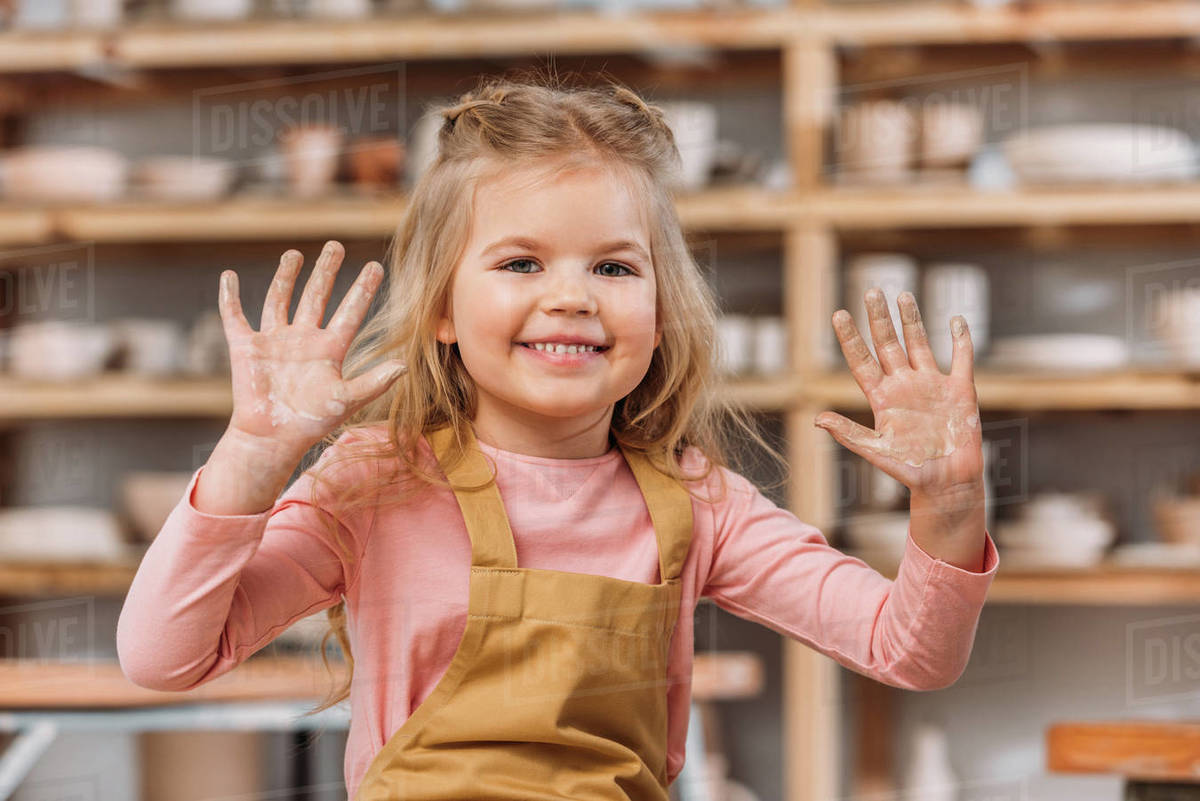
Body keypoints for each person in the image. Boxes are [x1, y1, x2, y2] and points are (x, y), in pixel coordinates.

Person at [117, 74, 998, 801]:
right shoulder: (375, 481)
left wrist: (951, 506)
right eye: (520, 263)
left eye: (614, 266)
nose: (572, 295)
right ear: (440, 312)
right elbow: (162, 658)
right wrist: (250, 460)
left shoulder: (699, 504)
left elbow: (908, 650)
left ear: (662, 311)